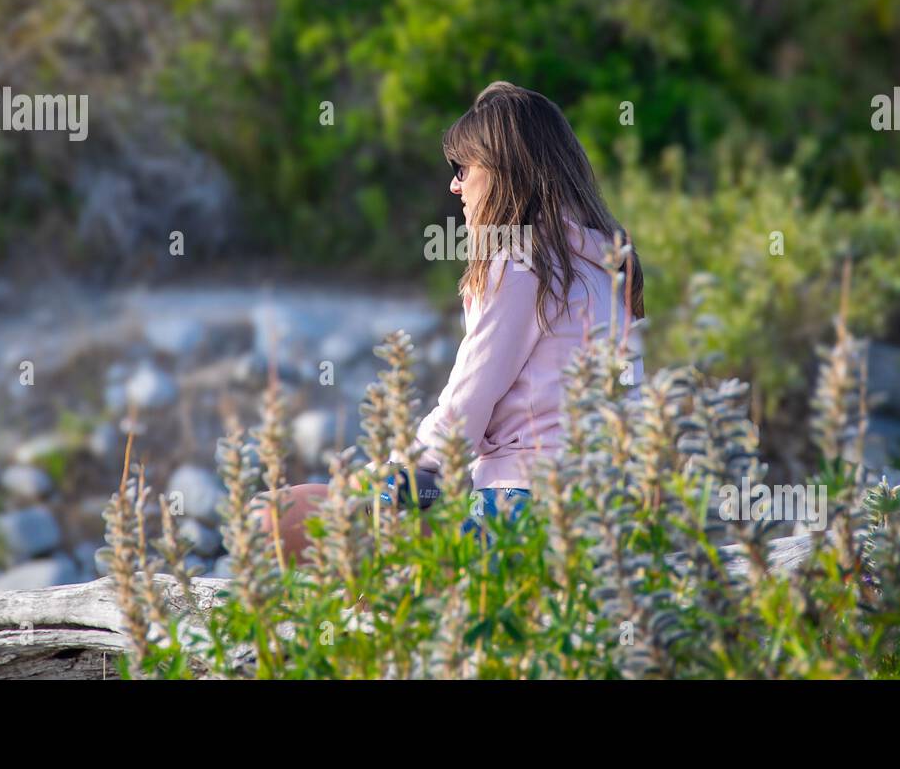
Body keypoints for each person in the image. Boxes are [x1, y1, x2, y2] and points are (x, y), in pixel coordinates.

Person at [259, 80, 644, 560]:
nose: (454, 185)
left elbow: (460, 419)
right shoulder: (606, 262)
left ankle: (375, 623)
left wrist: (374, 476)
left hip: (527, 514)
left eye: (464, 168)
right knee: (396, 496)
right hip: (608, 512)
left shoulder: (522, 262)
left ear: (507, 171)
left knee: (280, 515)